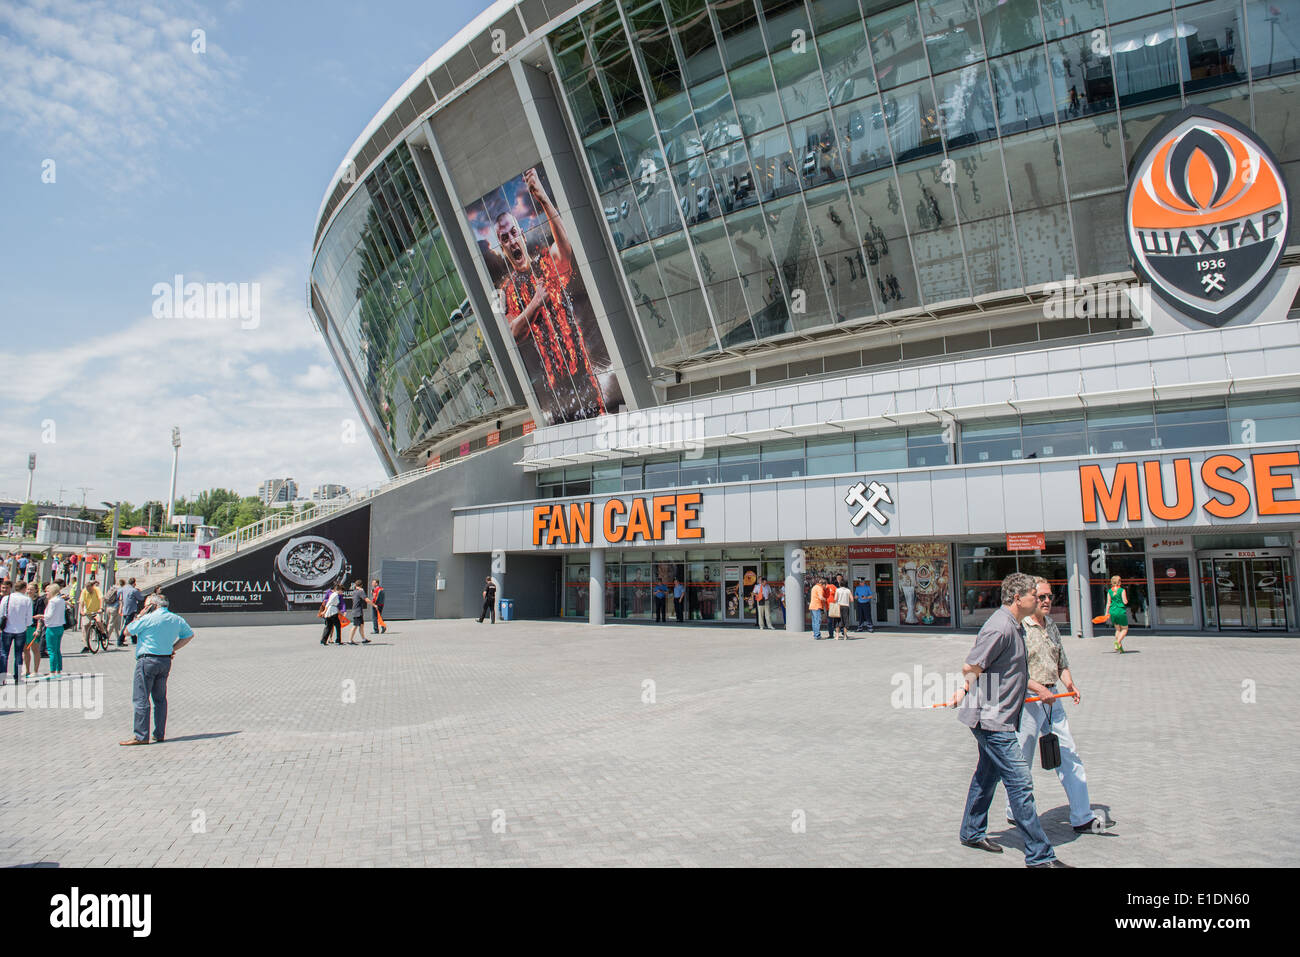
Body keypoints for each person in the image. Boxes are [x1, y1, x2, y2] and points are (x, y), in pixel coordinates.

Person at [946, 571, 1067, 868]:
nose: (1040, 600)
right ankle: (1040, 856)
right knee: (1020, 783)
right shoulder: (1000, 628)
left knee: (987, 776)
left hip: (996, 716)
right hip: (991, 720)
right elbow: (972, 664)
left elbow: (1010, 670)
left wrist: (1038, 687)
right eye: (1035, 596)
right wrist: (963, 691)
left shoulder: (1015, 625)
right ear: (1018, 598)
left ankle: (972, 832)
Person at [1002, 578, 1115, 835]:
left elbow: (1061, 660)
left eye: (1049, 596)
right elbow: (1013, 671)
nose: (1046, 601)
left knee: (1068, 752)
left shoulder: (1051, 625)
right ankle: (1014, 811)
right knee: (1022, 757)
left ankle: (1082, 816)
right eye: (1040, 596)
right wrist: (1038, 689)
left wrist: (1069, 683)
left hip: (1053, 698)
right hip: (1028, 700)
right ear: (1029, 597)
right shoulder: (1019, 629)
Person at [119, 594, 194, 746]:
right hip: (165, 660)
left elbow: (127, 632)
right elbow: (189, 635)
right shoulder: (176, 619)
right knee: (160, 699)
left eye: (146, 605)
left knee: (141, 697)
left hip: (147, 660)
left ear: (153, 605)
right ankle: (159, 733)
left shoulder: (148, 618)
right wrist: (173, 648)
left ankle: (141, 735)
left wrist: (140, 615)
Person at [0, 579, 34, 685]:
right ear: (24, 588)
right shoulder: (27, 600)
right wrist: (27, 625)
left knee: (4, 653)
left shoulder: (6, 598)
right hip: (21, 630)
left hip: (7, 629)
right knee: (19, 654)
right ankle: (18, 677)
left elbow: (1, 614)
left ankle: (2, 677)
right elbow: (29, 618)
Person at [40, 583, 67, 677]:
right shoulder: (61, 600)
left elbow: (49, 615)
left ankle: (52, 671)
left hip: (51, 628)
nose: (46, 593)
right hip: (60, 627)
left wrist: (41, 616)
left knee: (51, 651)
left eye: (48, 591)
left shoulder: (52, 602)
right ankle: (58, 670)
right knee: (57, 650)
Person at [25, 582, 46, 679]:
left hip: (33, 627)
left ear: (36, 590)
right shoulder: (25, 600)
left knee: (35, 649)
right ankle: (27, 670)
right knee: (25, 650)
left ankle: (35, 670)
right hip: (24, 627)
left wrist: (38, 629)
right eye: (28, 589)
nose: (29, 591)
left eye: (31, 589)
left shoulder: (39, 601)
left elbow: (40, 616)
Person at [1107, 575, 1130, 652]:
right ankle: (1117, 642)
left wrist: (1106, 613)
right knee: (1124, 629)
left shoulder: (1109, 591)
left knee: (1117, 629)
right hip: (1120, 610)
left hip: (1112, 611)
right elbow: (1125, 601)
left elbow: (1108, 603)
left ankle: (1119, 647)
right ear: (1119, 582)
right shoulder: (1122, 590)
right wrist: (1126, 601)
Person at [119, 578, 144, 646]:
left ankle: (134, 639)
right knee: (127, 625)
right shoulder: (134, 590)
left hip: (125, 609)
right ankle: (120, 640)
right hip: (131, 609)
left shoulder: (123, 588)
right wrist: (139, 592)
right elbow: (141, 598)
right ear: (134, 583)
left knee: (129, 624)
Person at [79, 577, 102, 651]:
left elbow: (101, 598)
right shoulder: (84, 591)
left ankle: (103, 633)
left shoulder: (97, 589)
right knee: (85, 627)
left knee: (98, 621)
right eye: (87, 589)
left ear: (92, 587)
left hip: (96, 610)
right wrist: (81, 611)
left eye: (89, 589)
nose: (88, 590)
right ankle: (86, 646)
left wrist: (101, 608)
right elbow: (81, 602)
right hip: (88, 611)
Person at [103, 578, 124, 645]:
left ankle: (119, 638)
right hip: (115, 608)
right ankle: (106, 639)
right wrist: (120, 609)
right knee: (111, 624)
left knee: (115, 623)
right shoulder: (120, 590)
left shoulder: (112, 588)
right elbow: (120, 600)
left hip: (108, 607)